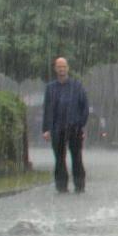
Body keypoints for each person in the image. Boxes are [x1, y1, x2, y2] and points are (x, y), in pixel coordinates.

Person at [42, 56, 89, 194]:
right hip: (57, 129)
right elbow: (47, 109)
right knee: (59, 159)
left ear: (68, 68)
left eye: (64, 66)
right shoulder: (50, 88)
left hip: (74, 128)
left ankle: (79, 186)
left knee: (77, 158)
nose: (62, 69)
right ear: (55, 69)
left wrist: (81, 125)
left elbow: (84, 107)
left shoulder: (77, 86)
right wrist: (46, 129)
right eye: (59, 67)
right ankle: (61, 186)